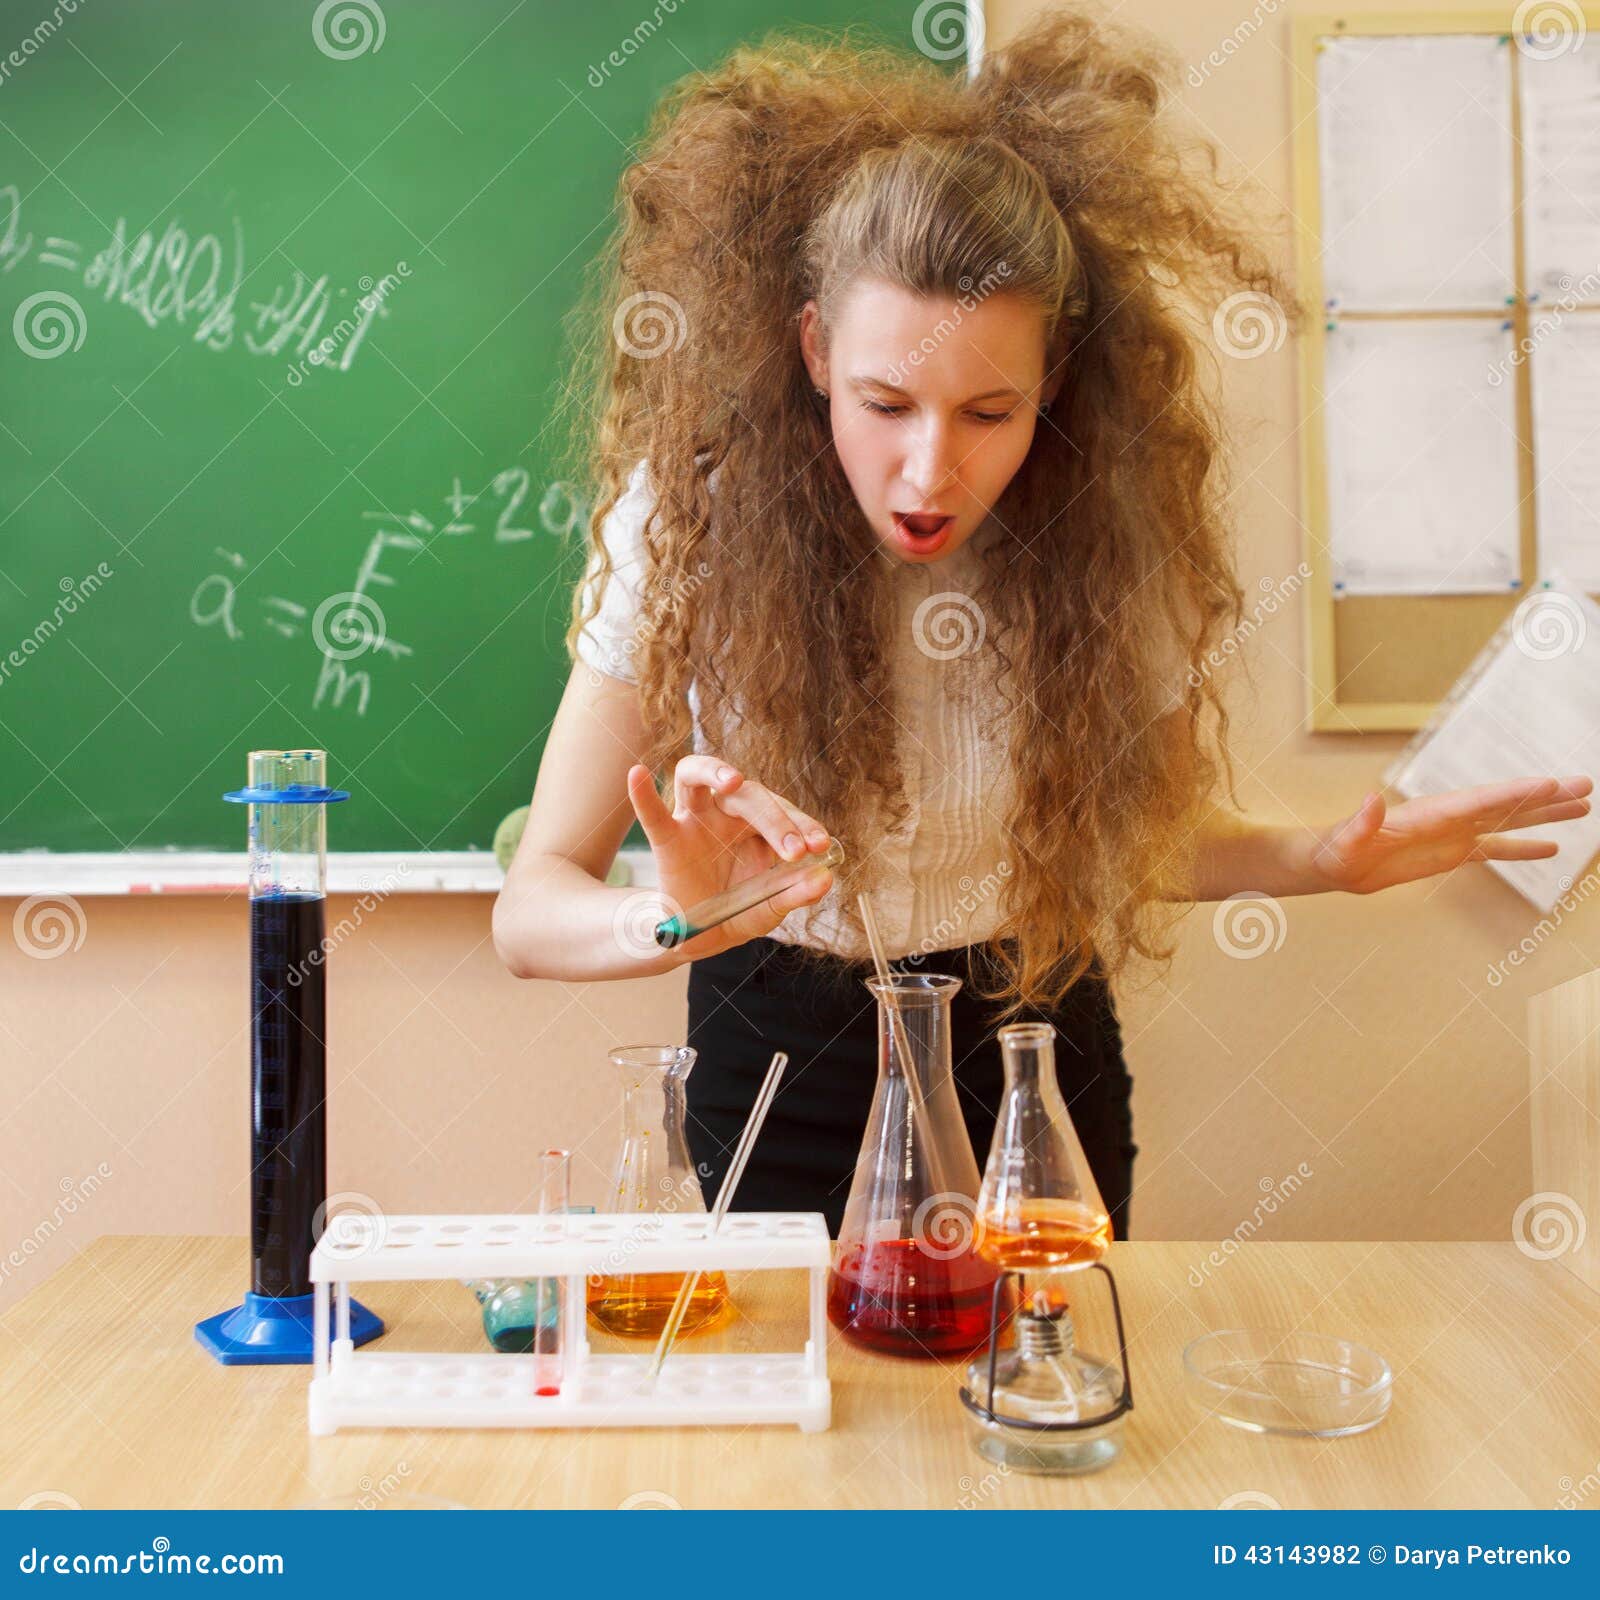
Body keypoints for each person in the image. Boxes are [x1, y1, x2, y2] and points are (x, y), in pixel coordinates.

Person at [492, 11, 1591, 1238]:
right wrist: (678, 921)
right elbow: (531, 907)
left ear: (1052, 382)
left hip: (1025, 1047)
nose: (927, 472)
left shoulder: (1107, 543)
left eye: (987, 413)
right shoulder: (686, 525)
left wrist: (1318, 861)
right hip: (772, 1049)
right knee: (815, 1417)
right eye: (885, 401)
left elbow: (1136, 844)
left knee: (1042, 1406)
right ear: (812, 348)